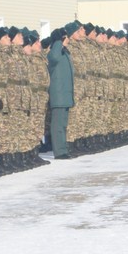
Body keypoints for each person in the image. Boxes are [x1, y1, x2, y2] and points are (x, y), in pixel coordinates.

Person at [46, 28, 75, 159]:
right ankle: (59, 151)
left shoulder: (64, 52)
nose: (69, 40)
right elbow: (53, 58)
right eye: (66, 37)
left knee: (63, 124)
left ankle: (63, 148)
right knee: (58, 124)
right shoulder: (55, 53)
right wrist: (58, 42)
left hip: (65, 93)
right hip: (58, 94)